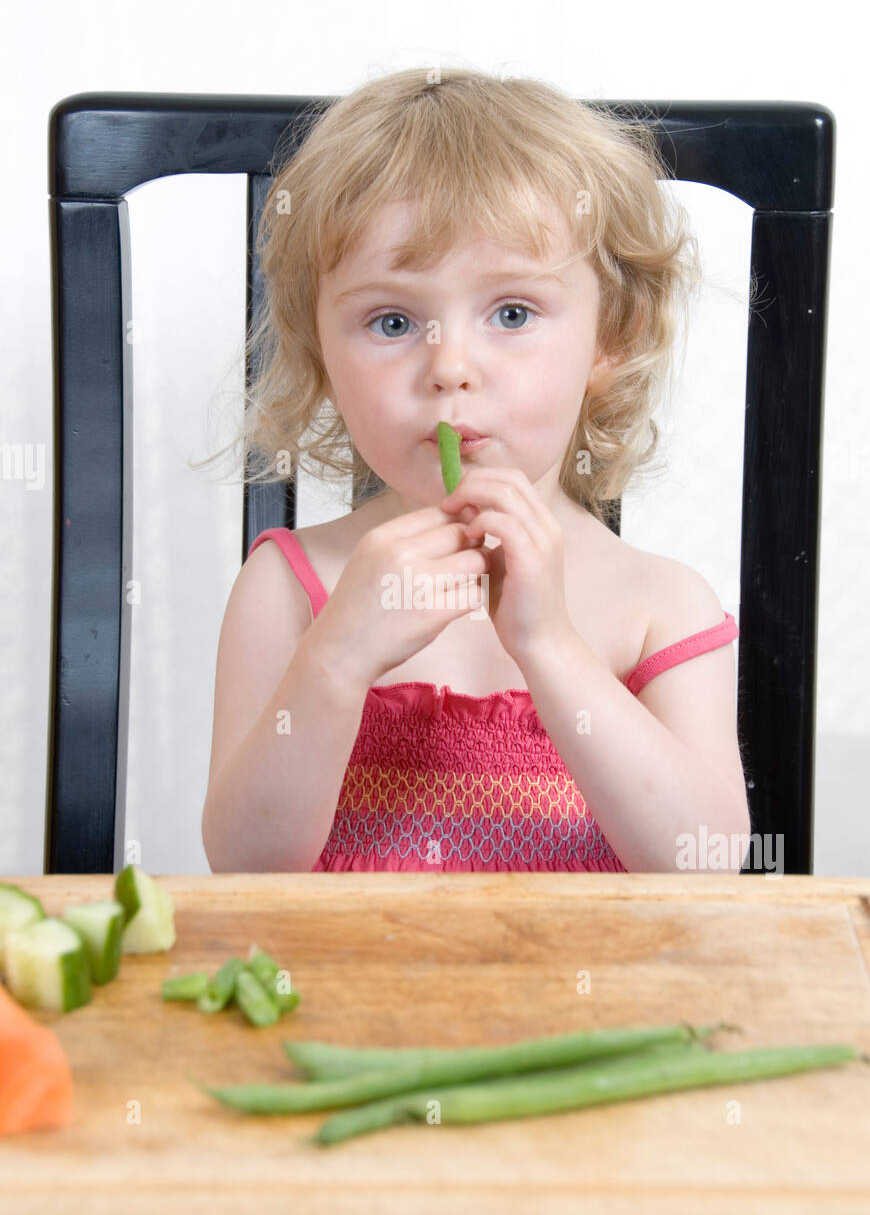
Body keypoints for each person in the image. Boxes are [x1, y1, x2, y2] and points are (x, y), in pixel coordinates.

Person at [197, 66, 752, 875]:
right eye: (392, 320)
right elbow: (245, 869)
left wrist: (550, 645)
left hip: (596, 1002)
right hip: (352, 997)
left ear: (611, 337)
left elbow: (705, 867)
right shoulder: (290, 588)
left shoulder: (660, 605)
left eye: (513, 313)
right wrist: (337, 659)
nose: (449, 366)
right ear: (321, 355)